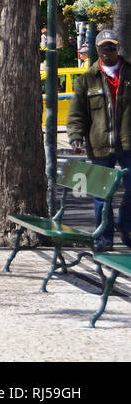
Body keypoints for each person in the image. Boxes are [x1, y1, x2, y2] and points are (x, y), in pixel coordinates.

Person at [67, 30, 131, 250]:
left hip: (128, 143)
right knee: (101, 195)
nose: (108, 52)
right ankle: (104, 239)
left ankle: (126, 224)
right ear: (97, 50)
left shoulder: (129, 72)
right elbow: (77, 112)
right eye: (104, 48)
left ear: (118, 48)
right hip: (99, 144)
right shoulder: (87, 79)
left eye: (111, 47)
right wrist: (75, 137)